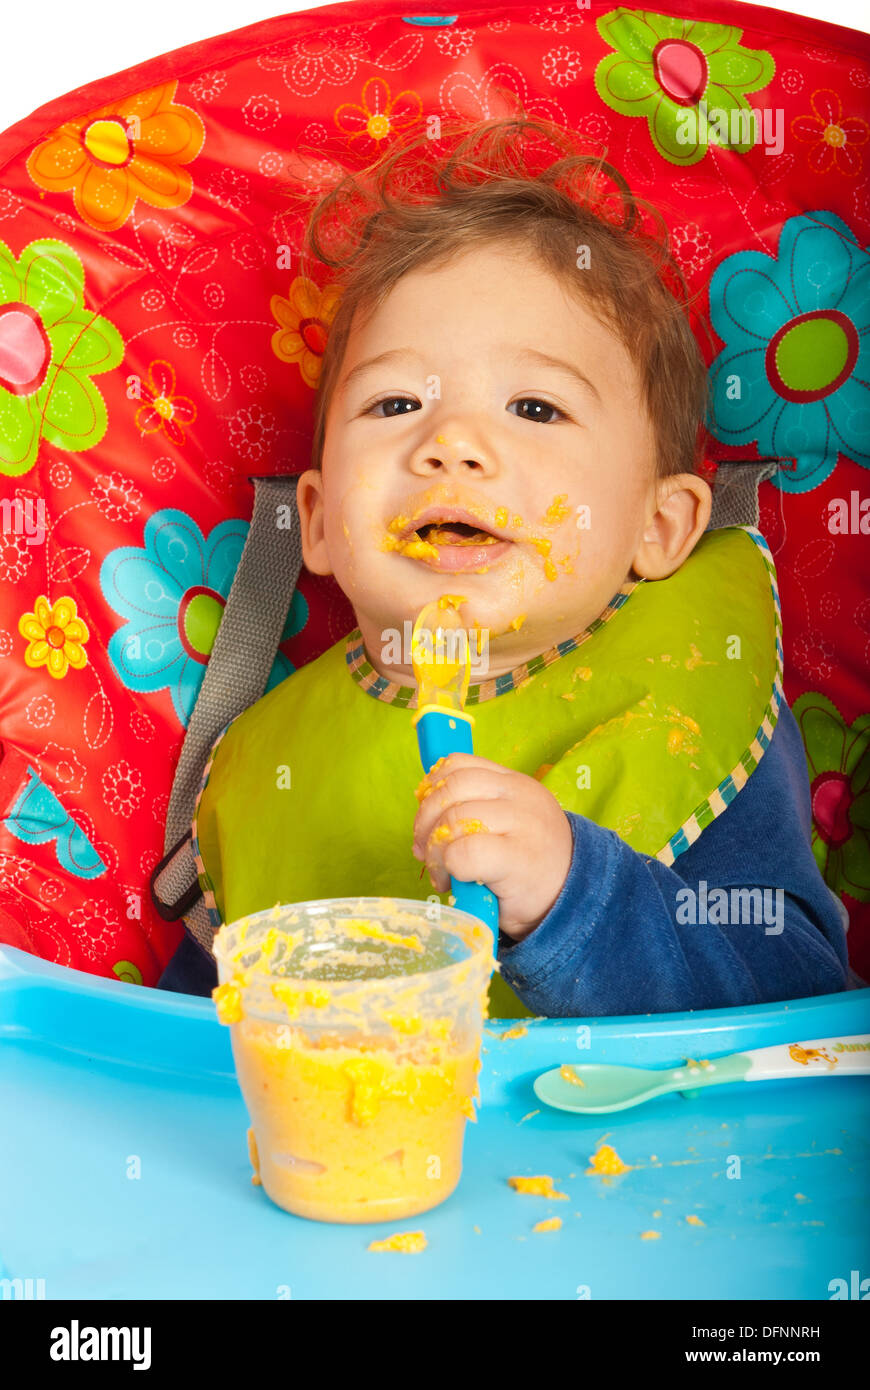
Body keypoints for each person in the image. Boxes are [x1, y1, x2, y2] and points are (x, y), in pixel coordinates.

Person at [159, 117, 849, 1016]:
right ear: (319, 524)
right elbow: (189, 1060)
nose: (452, 443)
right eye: (397, 401)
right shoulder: (262, 765)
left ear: (661, 524)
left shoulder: (691, 695)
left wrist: (576, 893)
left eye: (534, 405)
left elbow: (801, 993)